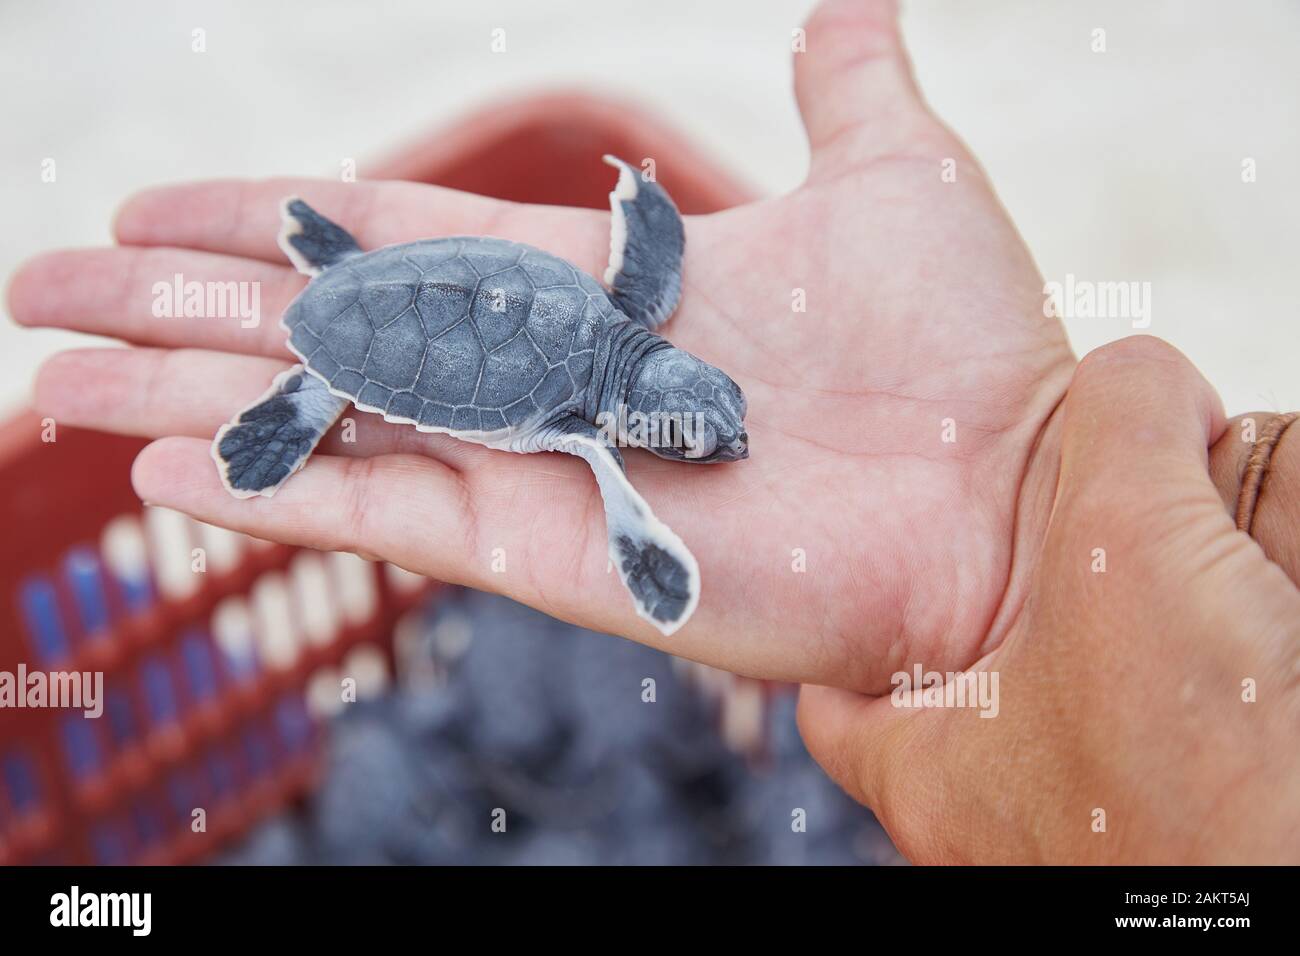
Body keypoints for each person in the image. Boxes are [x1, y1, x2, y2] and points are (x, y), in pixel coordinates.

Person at [7, 0, 1297, 862]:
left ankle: (325, 292)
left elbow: (644, 294)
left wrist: (642, 206)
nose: (716, 452)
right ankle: (305, 387)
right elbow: (636, 512)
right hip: (380, 347)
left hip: (461, 301)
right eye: (697, 441)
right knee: (322, 394)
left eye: (709, 433)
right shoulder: (588, 416)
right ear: (641, 403)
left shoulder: (626, 336)